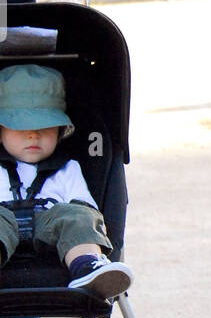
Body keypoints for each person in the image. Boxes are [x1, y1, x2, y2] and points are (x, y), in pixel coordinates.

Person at [0, 64, 132, 299]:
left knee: (79, 215)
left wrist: (77, 218)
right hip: (3, 225)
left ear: (61, 129)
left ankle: (87, 266)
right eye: (20, 126)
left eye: (44, 126)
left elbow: (85, 210)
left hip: (52, 228)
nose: (33, 134)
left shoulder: (68, 168)